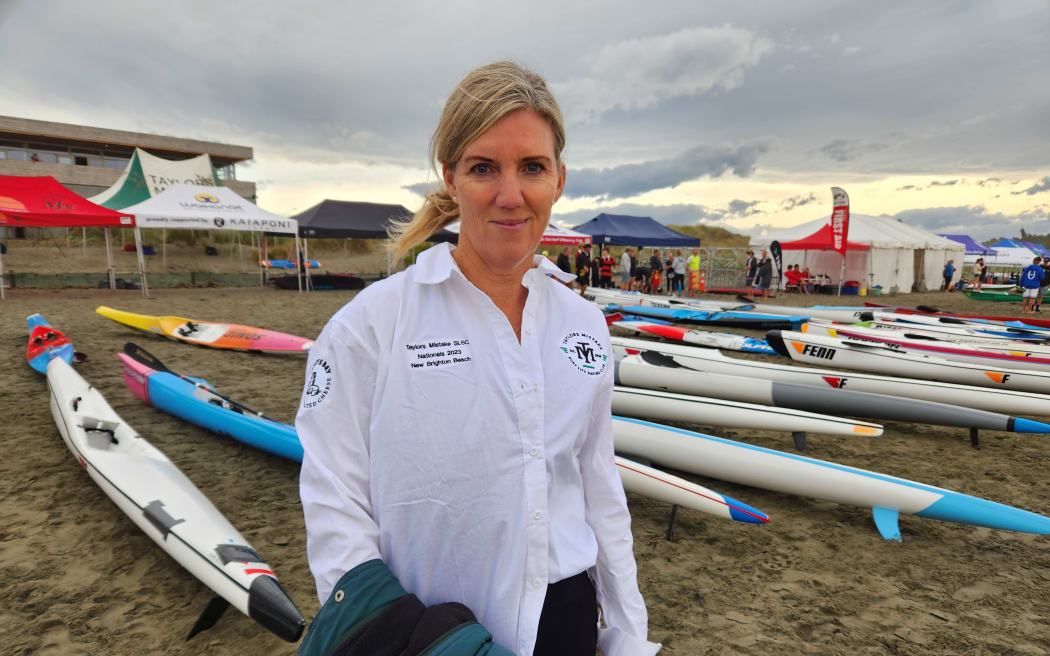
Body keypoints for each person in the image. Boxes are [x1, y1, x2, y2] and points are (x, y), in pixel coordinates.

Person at [296, 61, 657, 656]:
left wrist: (627, 634)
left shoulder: (583, 325)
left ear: (559, 179)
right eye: (483, 167)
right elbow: (334, 502)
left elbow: (598, 488)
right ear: (450, 178)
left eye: (532, 167)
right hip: (431, 632)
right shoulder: (372, 324)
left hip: (565, 624)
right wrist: (391, 634)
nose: (510, 195)